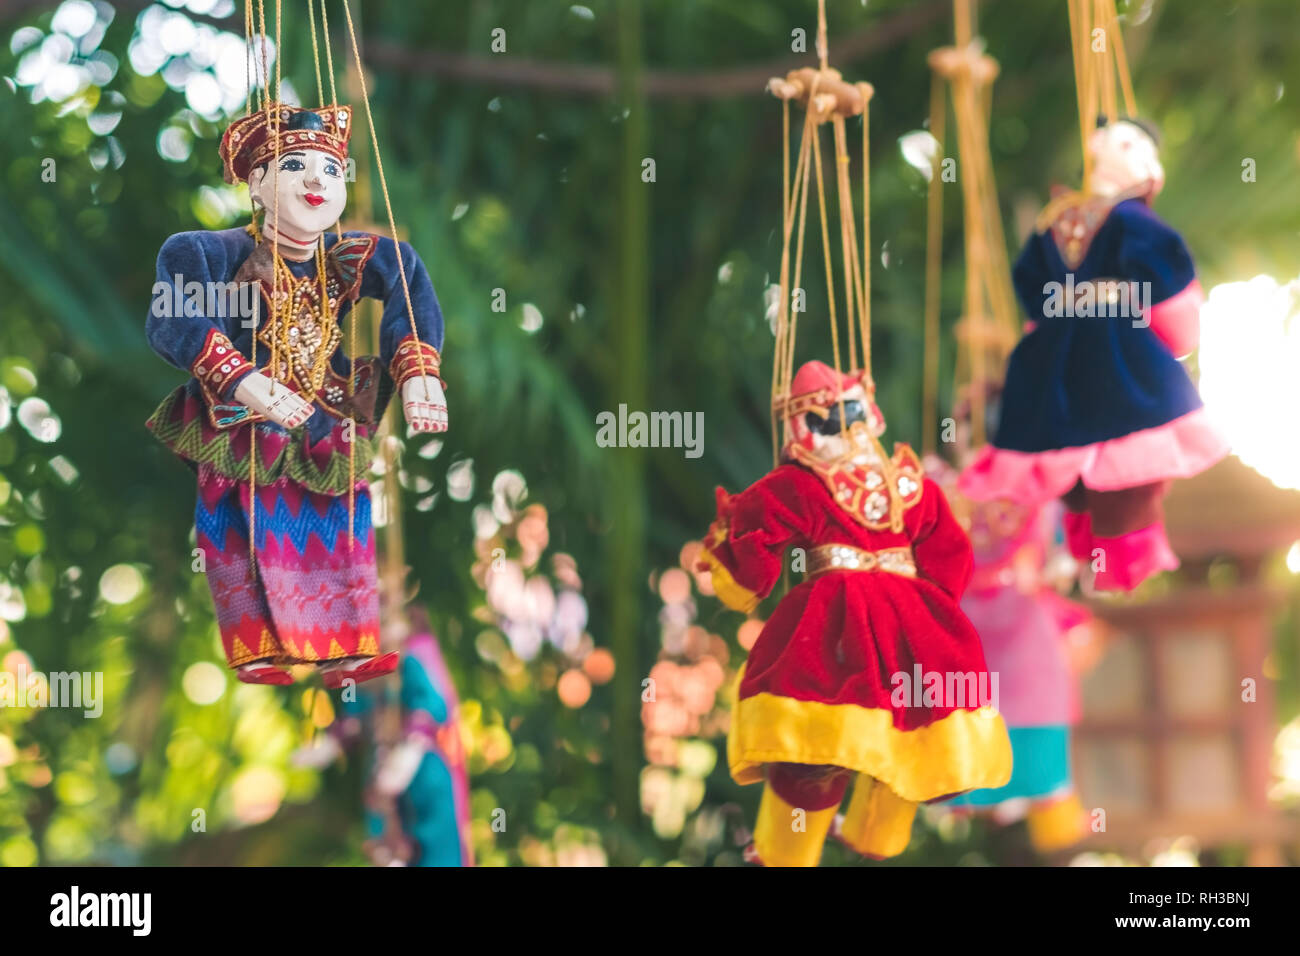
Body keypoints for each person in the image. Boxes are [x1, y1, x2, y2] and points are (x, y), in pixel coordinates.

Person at [145, 103, 447, 687]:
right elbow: (172, 316)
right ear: (257, 183)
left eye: (331, 170)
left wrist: (418, 371)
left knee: (344, 521)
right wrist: (240, 377)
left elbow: (407, 275)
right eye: (293, 166)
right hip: (240, 418)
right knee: (237, 517)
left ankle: (346, 648)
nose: (317, 181)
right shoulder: (209, 252)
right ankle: (255, 647)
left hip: (321, 416)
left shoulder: (343, 258)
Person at [698, 360, 1011, 866]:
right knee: (914, 731)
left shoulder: (802, 483)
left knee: (811, 743)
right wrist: (929, 608)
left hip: (833, 619)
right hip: (914, 621)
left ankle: (784, 851)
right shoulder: (911, 483)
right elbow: (953, 556)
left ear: (802, 427)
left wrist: (732, 567)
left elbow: (753, 545)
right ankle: (878, 835)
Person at [959, 117, 1229, 591]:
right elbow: (1171, 295)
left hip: (1053, 356)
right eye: (1131, 145)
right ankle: (1115, 559)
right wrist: (1175, 334)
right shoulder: (1131, 219)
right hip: (1118, 352)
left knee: (1069, 463)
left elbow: (1032, 289)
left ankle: (1084, 551)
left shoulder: (1054, 221)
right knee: (1131, 471)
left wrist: (1045, 332)